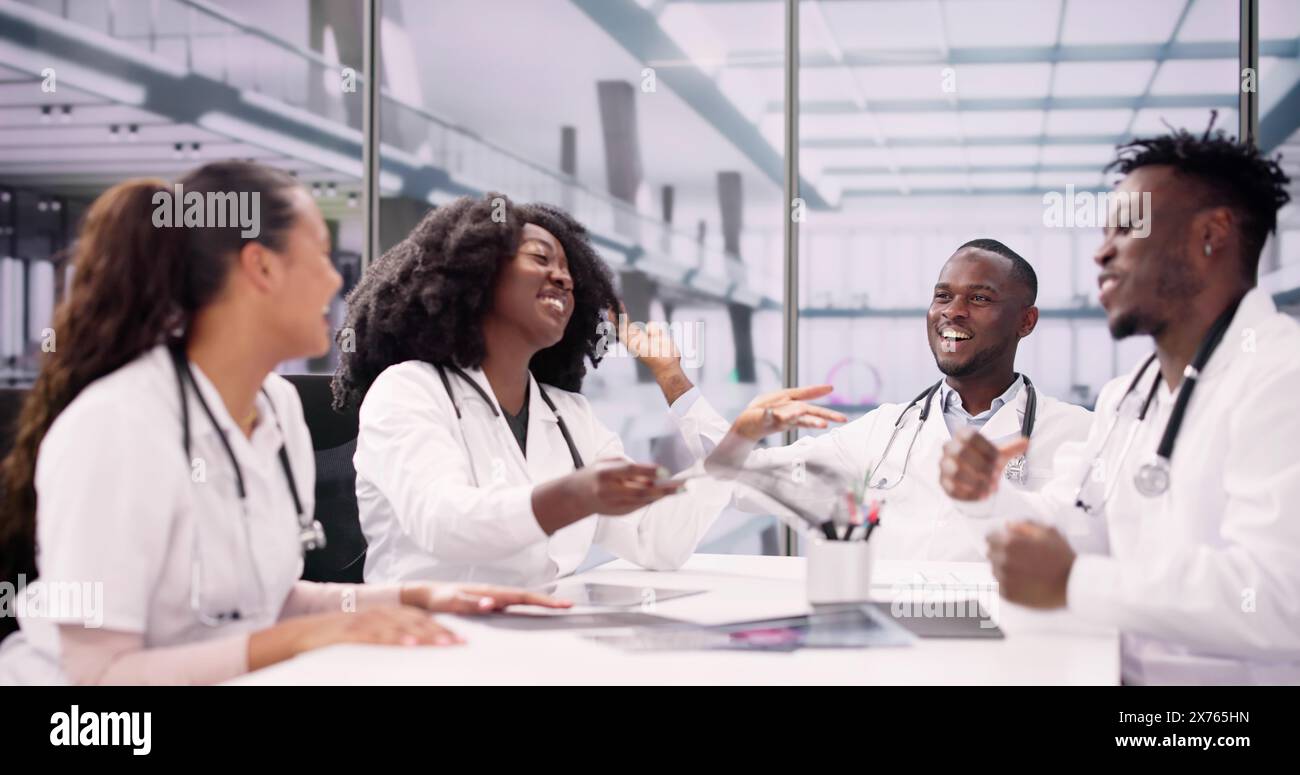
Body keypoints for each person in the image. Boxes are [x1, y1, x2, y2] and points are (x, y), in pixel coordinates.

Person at [0, 163, 566, 686]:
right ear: (261, 267)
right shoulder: (117, 428)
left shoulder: (275, 407)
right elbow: (96, 677)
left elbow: (260, 603)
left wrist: (422, 597)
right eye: (320, 255)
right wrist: (300, 639)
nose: (333, 282)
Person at [939, 123, 1300, 684]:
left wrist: (1077, 582)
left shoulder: (1283, 376)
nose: (1102, 251)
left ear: (1212, 234)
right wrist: (988, 498)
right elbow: (1076, 529)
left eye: (1128, 228)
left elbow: (1281, 599)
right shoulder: (1127, 395)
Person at [332, 193, 838, 587]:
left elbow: (656, 541)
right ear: (476, 275)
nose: (563, 279)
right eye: (540, 259)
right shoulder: (408, 391)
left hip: (535, 645)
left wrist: (736, 441)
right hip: (429, 651)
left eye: (571, 274)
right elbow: (442, 521)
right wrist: (574, 495)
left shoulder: (569, 415)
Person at [681, 240, 1092, 560]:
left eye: (980, 298)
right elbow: (743, 482)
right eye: (943, 296)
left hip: (1009, 654)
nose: (954, 311)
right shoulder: (884, 431)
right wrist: (676, 382)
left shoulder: (1077, 433)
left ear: (1026, 321)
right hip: (898, 656)